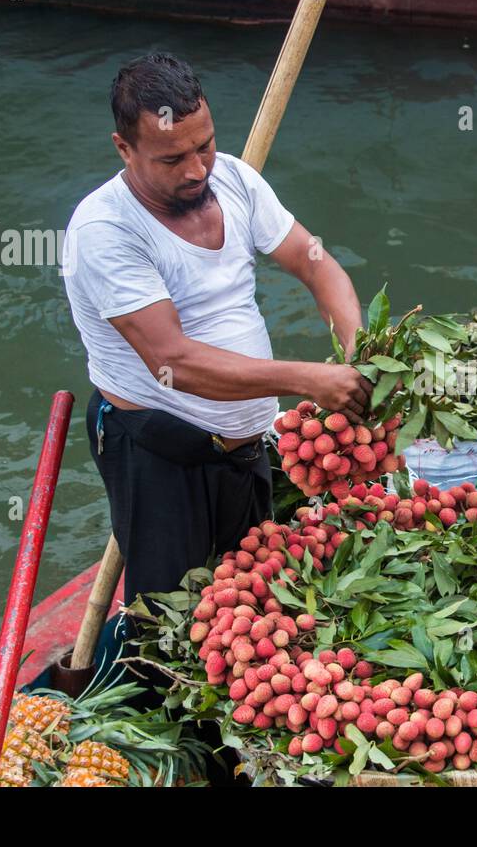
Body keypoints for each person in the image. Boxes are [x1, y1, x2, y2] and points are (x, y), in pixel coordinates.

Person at [61, 52, 372, 617]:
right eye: (172, 158)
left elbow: (313, 259)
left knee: (247, 600)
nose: (197, 170)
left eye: (204, 145)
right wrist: (309, 378)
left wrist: (357, 347)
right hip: (158, 451)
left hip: (244, 446)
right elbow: (173, 363)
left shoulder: (234, 179)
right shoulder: (104, 231)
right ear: (124, 149)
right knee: (171, 620)